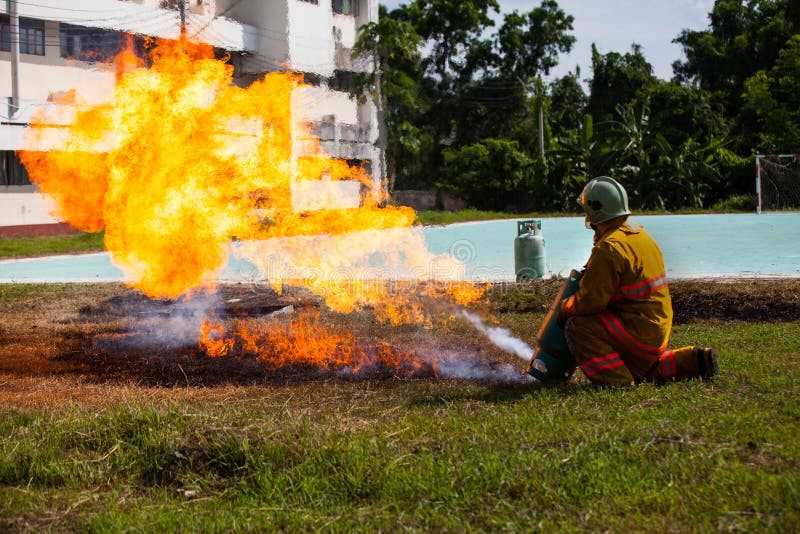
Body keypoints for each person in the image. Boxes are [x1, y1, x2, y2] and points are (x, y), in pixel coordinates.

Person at [556, 176, 718, 386]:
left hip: (640, 335)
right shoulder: (640, 235)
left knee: (578, 326)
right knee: (643, 370)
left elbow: (589, 302)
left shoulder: (609, 249)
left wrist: (564, 308)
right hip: (656, 330)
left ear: (596, 211)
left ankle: (618, 383)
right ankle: (691, 361)